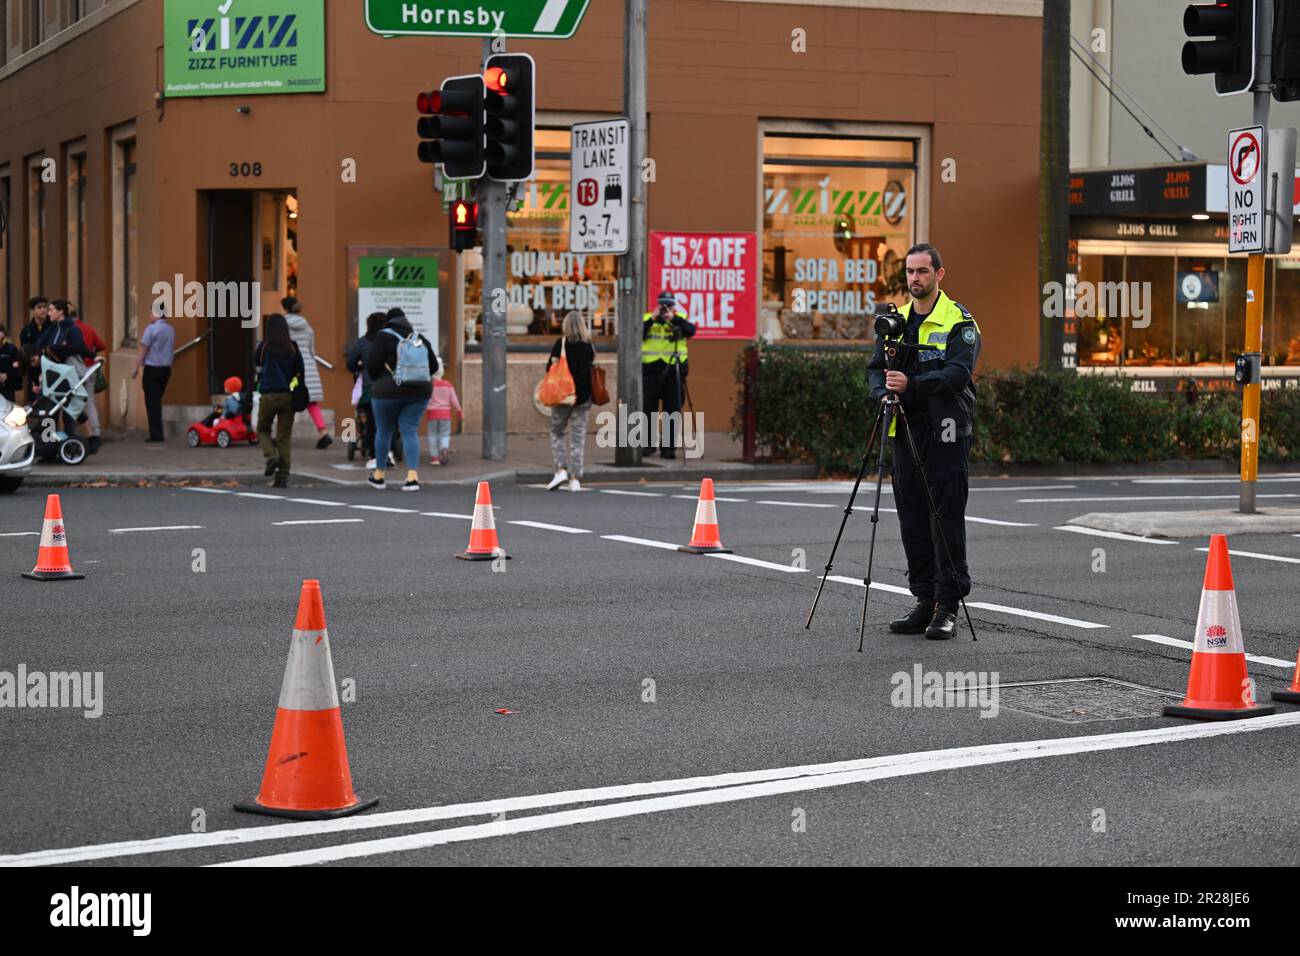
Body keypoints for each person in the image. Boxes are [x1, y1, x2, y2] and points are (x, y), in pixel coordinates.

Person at [867, 243, 981, 641]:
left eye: (922, 272)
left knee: (944, 518)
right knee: (912, 517)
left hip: (947, 431)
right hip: (905, 430)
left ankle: (948, 605)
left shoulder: (959, 321)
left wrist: (912, 383)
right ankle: (923, 599)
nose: (915, 279)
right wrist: (881, 391)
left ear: (939, 274)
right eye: (910, 272)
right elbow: (875, 369)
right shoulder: (895, 320)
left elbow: (958, 375)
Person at [365, 307, 438, 491]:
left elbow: (372, 366)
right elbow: (434, 366)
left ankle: (379, 475)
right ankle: (412, 477)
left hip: (387, 392)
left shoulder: (383, 336)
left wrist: (383, 380)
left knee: (383, 430)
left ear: (388, 322)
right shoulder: (418, 338)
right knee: (410, 431)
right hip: (419, 392)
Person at [545, 310, 595, 491]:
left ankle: (561, 469)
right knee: (578, 437)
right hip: (583, 398)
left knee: (556, 431)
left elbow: (550, 367)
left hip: (563, 396)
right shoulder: (589, 345)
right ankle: (575, 478)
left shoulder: (561, 343)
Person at [254, 314, 306, 489]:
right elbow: (300, 370)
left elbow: (256, 363)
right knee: (284, 437)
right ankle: (282, 476)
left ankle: (271, 456)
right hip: (288, 396)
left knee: (262, 429)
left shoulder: (265, 346)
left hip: (269, 394)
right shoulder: (293, 347)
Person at [642, 291, 695, 458]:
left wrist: (674, 319)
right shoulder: (647, 319)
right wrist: (653, 318)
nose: (665, 309)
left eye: (669, 305)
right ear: (657, 305)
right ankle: (648, 445)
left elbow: (691, 330)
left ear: (674, 306)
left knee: (672, 410)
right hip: (651, 369)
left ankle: (668, 448)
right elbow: (638, 334)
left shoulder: (680, 318)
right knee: (648, 409)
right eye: (662, 305)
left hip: (674, 369)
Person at [282, 296, 332, 449]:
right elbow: (312, 350)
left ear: (285, 308)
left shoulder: (283, 325)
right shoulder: (307, 326)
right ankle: (323, 432)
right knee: (311, 402)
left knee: (288, 401)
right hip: (308, 366)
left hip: (292, 365)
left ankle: (285, 436)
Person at [347, 311, 387, 469]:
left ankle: (373, 454)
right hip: (389, 388)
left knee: (370, 422)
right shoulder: (390, 341)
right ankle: (388, 451)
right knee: (387, 422)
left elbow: (350, 364)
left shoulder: (362, 342)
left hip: (370, 389)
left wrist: (360, 366)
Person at [132, 307, 175, 442]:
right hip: (166, 369)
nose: (149, 316)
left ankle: (156, 434)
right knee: (157, 400)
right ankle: (157, 431)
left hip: (152, 369)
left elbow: (144, 349)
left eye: (151, 313)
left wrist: (136, 367)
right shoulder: (170, 330)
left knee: (152, 402)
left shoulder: (151, 329)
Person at [72, 304, 106, 454]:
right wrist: (92, 352)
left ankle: (76, 431)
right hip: (90, 368)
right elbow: (101, 345)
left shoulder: (69, 331)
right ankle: (96, 431)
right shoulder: (88, 329)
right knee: (90, 401)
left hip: (74, 370)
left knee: (73, 401)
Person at [426, 367, 462, 467]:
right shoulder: (448, 385)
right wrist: (459, 410)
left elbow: (426, 400)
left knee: (432, 435)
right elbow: (454, 399)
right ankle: (444, 448)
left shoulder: (429, 386)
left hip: (432, 413)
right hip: (445, 413)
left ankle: (434, 458)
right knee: (445, 434)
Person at [20, 296, 49, 402]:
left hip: (50, 369)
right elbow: (24, 356)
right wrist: (32, 382)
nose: (43, 310)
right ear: (33, 310)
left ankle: (50, 420)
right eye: (39, 307)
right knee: (34, 405)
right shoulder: (26, 331)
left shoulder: (52, 327)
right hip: (33, 371)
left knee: (50, 408)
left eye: (45, 307)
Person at [0, 327, 22, 402]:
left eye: (0, 331)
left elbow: (18, 367)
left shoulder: (11, 348)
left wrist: (7, 375)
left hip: (8, 386)